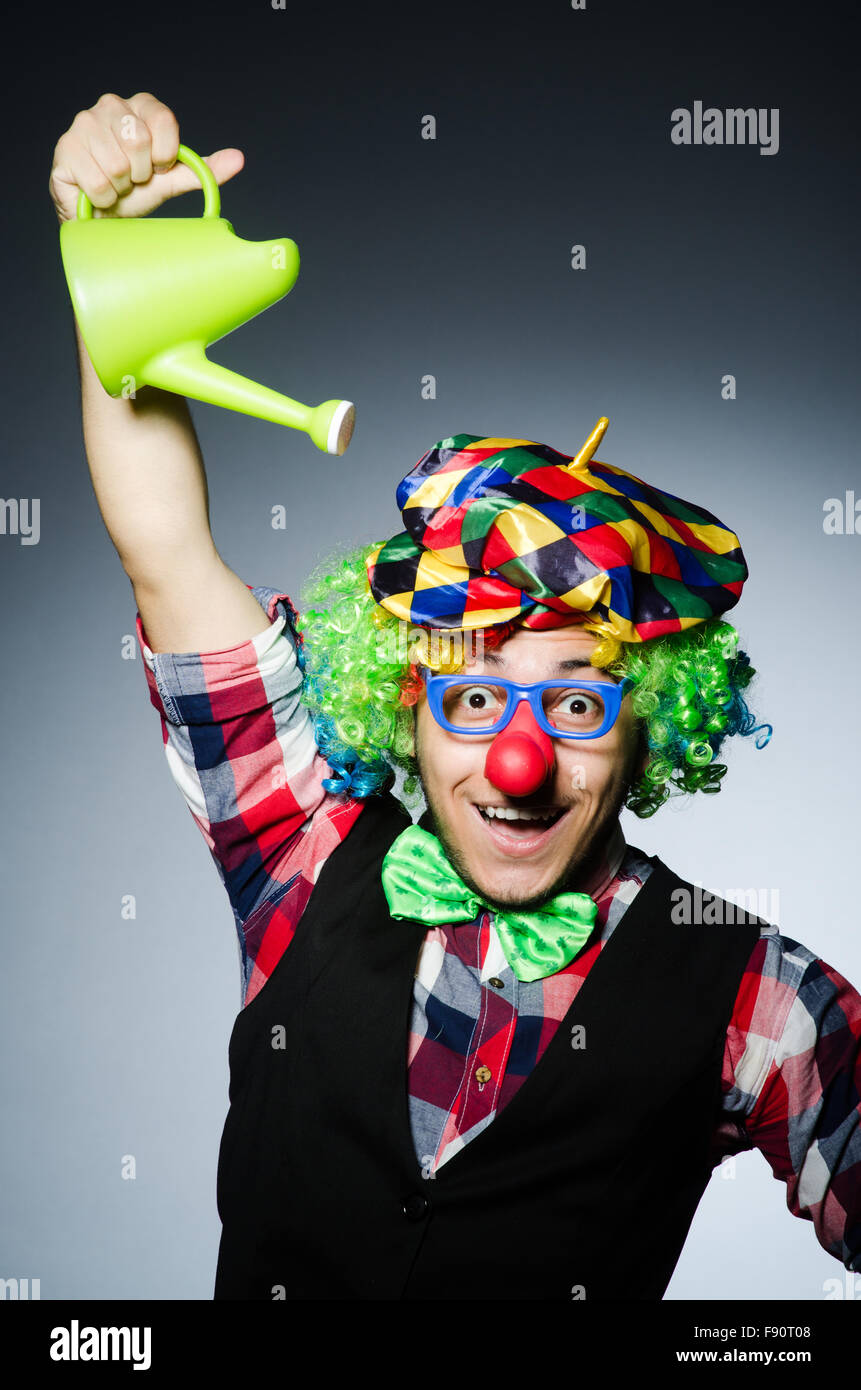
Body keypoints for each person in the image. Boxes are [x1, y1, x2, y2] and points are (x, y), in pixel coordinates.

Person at [51, 92, 861, 1302]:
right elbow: (165, 551)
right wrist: (114, 278)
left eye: (576, 706)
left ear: (650, 724)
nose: (518, 765)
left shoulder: (748, 992)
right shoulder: (301, 849)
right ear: (404, 708)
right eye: (472, 701)